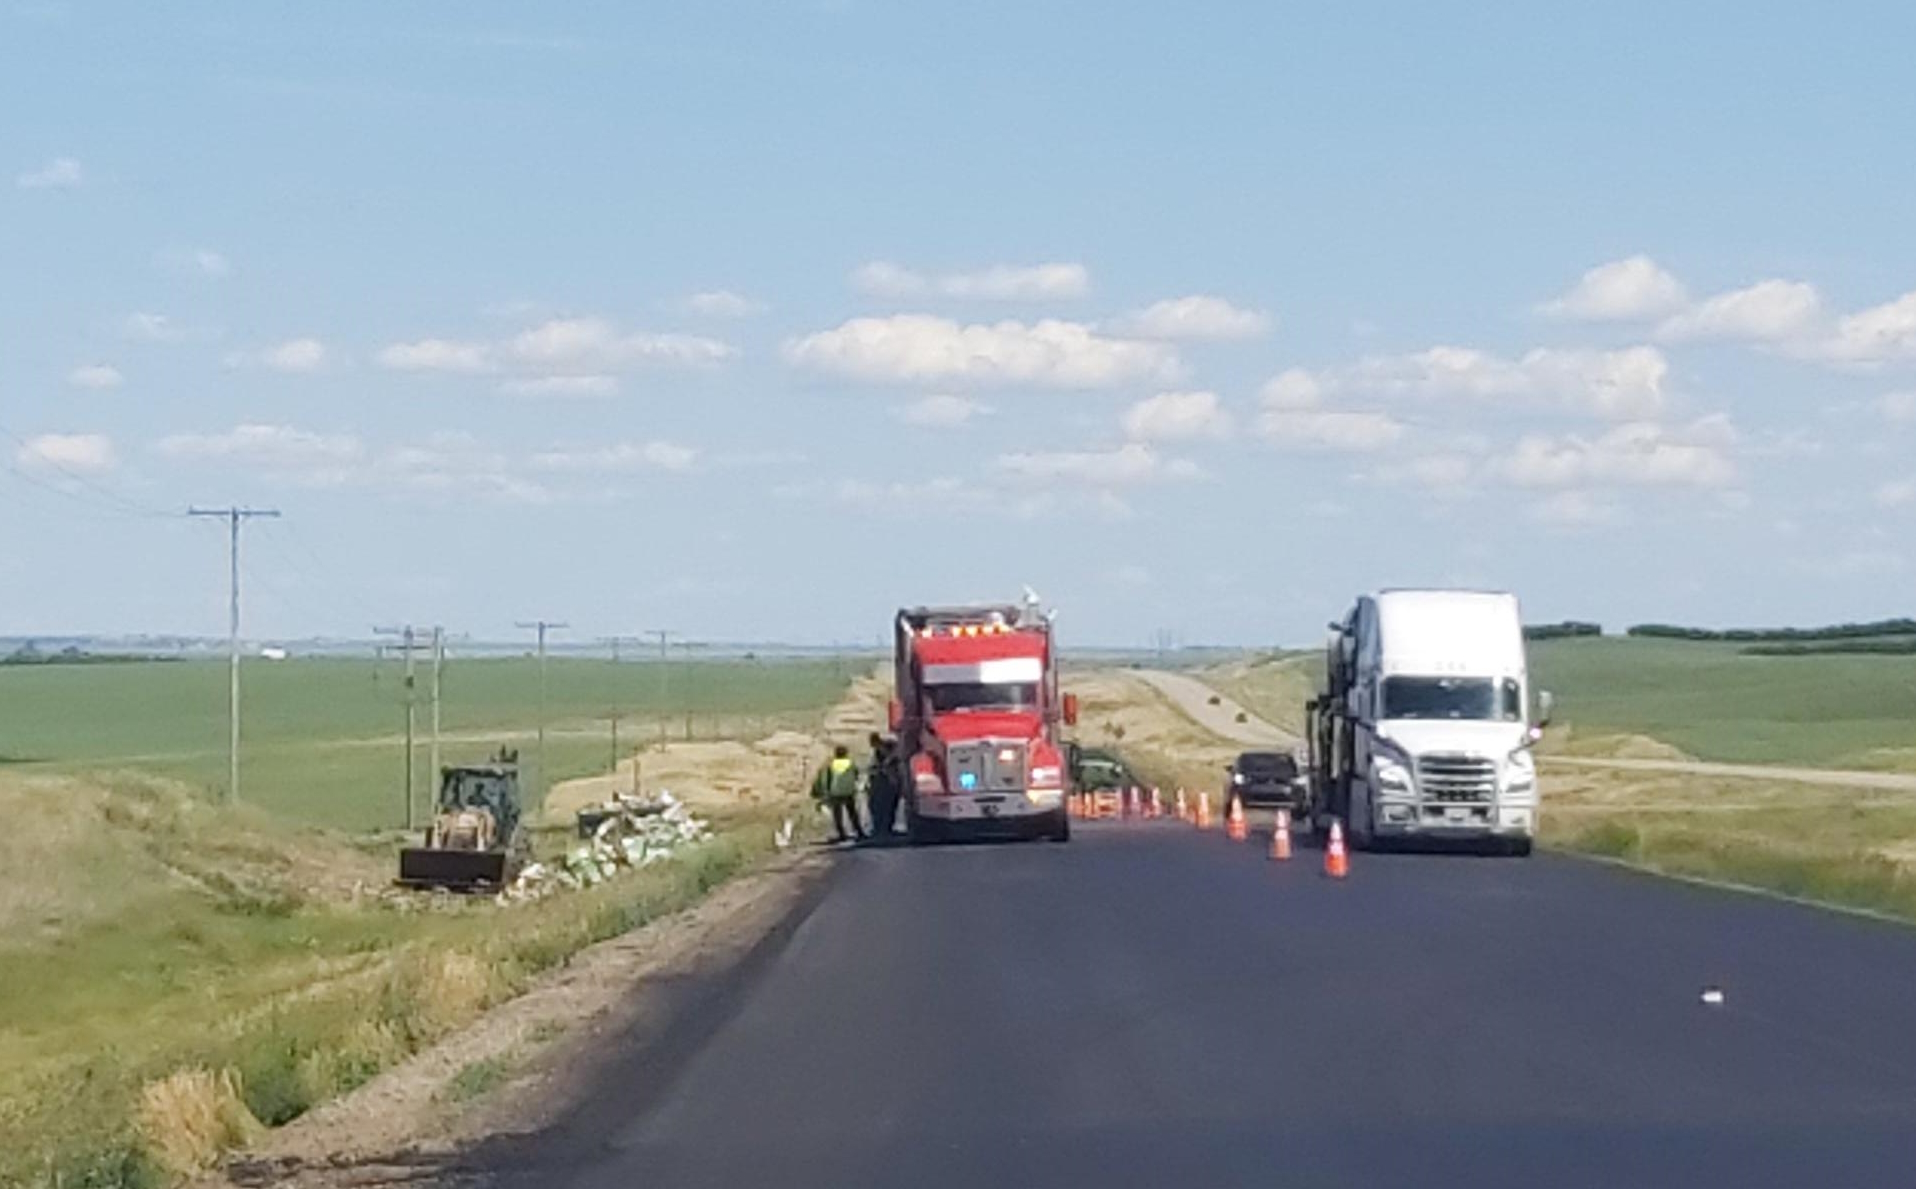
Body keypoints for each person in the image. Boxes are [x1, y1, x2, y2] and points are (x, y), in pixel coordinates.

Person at [811, 743, 866, 843]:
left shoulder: (831, 764)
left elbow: (827, 779)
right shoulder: (851, 763)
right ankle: (859, 831)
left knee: (837, 814)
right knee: (852, 812)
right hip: (848, 791)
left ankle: (842, 834)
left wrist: (825, 792)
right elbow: (856, 776)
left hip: (836, 792)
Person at [866, 732, 900, 839]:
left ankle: (885, 828)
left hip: (890, 783)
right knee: (875, 805)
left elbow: (892, 765)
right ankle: (880, 828)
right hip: (881, 782)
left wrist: (886, 765)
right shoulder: (878, 753)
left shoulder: (891, 751)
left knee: (888, 806)